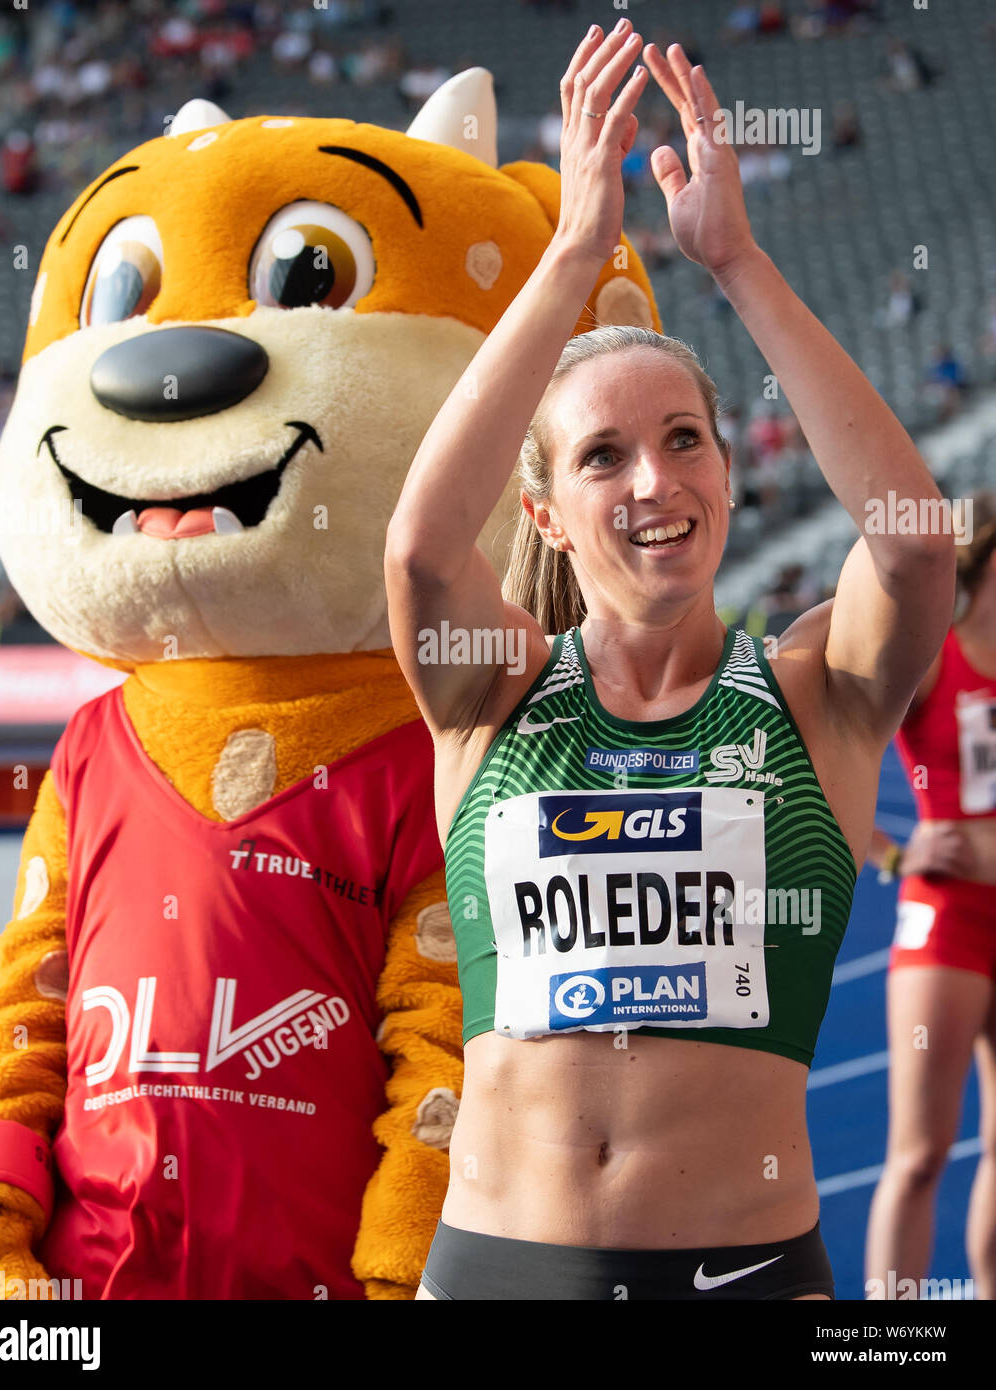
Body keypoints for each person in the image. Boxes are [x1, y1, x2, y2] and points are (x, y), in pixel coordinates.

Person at [384, 19, 955, 1300]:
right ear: (543, 511)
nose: (655, 480)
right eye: (602, 456)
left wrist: (739, 263)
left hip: (747, 1270)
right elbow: (421, 553)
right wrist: (576, 251)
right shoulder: (492, 688)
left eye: (686, 439)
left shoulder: (818, 696)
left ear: (729, 475)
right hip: (499, 1268)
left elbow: (917, 548)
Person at [865, 493, 996, 1300]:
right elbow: (822, 763)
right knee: (919, 1152)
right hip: (945, 917)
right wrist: (894, 850)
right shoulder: (932, 657)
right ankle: (888, 1339)